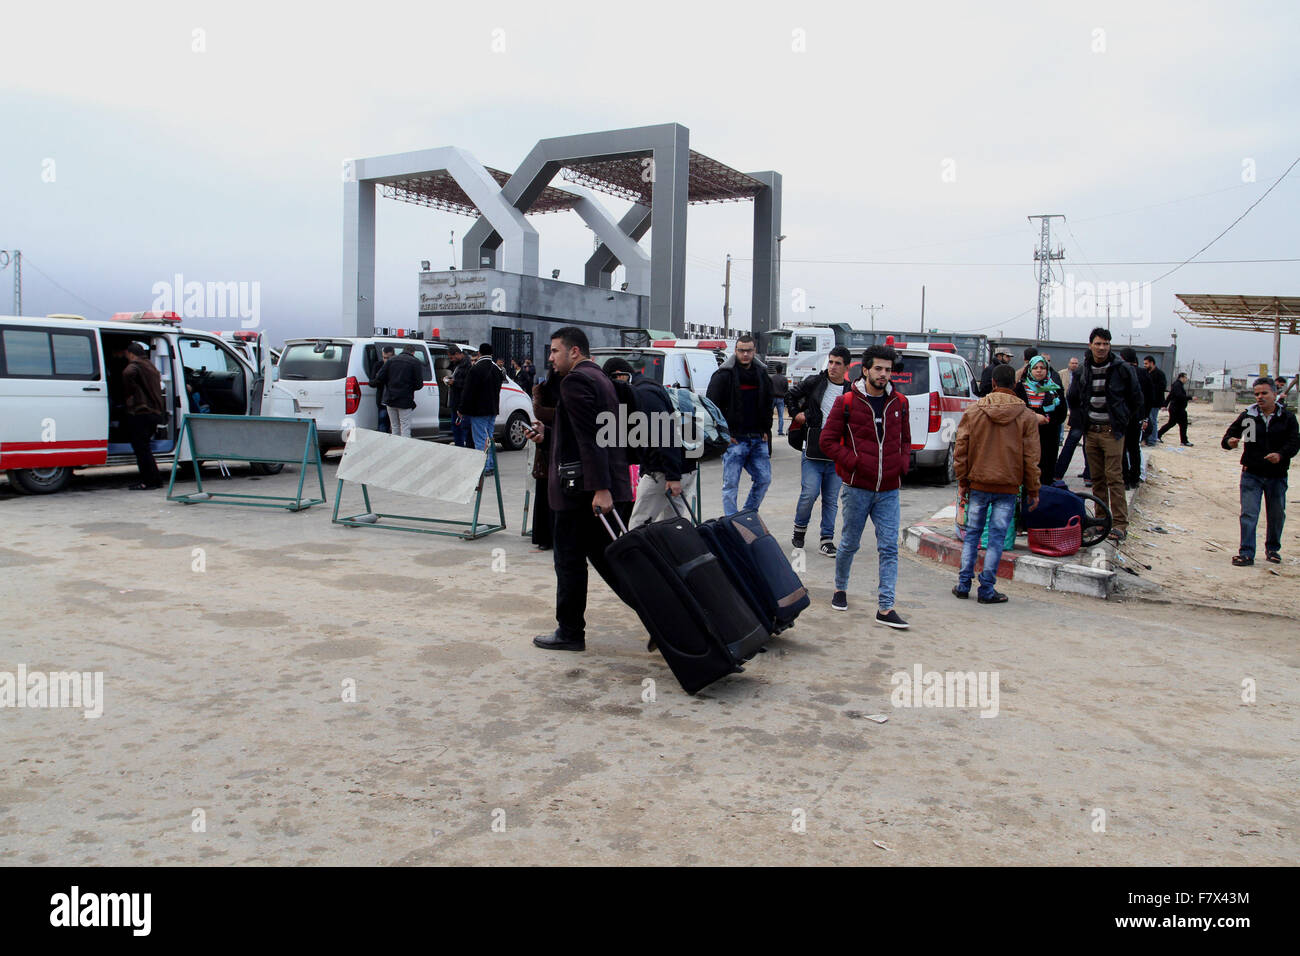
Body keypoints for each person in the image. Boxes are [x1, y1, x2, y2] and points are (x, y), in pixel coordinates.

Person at [528, 327, 634, 652]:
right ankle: (667, 617)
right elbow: (586, 431)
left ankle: (570, 631)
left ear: (575, 351)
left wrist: (600, 489)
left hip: (581, 496)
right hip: (598, 491)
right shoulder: (599, 378)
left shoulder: (575, 381)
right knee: (618, 567)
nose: (550, 358)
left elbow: (591, 440)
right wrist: (549, 433)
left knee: (570, 562)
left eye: (555, 351)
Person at [818, 345, 910, 629]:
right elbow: (827, 441)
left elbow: (905, 440)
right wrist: (853, 463)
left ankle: (885, 607)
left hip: (889, 490)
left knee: (889, 548)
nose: (883, 374)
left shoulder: (900, 403)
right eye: (878, 369)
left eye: (888, 369)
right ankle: (840, 588)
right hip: (857, 487)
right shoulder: (847, 401)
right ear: (866, 370)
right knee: (849, 544)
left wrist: (900, 466)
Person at [953, 363, 1041, 604]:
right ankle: (987, 589)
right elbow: (1031, 457)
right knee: (996, 538)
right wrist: (1033, 489)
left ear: (992, 383)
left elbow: (961, 450)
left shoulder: (974, 411)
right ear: (1014, 385)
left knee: (972, 535)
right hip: (1008, 487)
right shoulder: (1026, 415)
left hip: (978, 483)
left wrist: (962, 480)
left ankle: (963, 584)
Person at [1067, 327, 1143, 542]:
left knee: (1114, 478)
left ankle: (1119, 524)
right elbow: (1073, 397)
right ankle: (1101, 521)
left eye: (1106, 344)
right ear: (1090, 344)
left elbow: (1136, 399)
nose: (1102, 348)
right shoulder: (1083, 370)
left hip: (1112, 432)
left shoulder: (1121, 369)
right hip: (1091, 432)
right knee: (1097, 478)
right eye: (1098, 343)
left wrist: (1124, 420)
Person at [1222, 377, 1299, 566]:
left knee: (1276, 514)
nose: (1260, 397)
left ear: (1275, 394)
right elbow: (1229, 436)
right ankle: (1246, 552)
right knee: (1249, 513)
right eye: (1256, 394)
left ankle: (1272, 549)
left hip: (1276, 475)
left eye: (1264, 393)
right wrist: (1230, 442)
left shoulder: (1287, 418)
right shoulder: (1248, 416)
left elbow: (1294, 443)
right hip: (1251, 474)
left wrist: (1280, 455)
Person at [613, 358, 697, 529]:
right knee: (673, 525)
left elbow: (665, 433)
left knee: (638, 526)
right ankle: (676, 556)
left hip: (663, 471)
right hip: (683, 465)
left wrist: (673, 476)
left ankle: (639, 556)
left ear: (620, 376)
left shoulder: (642, 393)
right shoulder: (651, 386)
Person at [786, 345, 852, 555]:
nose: (832, 367)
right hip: (813, 449)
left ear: (846, 367)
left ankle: (827, 539)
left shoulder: (851, 391)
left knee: (831, 499)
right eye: (830, 362)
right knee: (809, 493)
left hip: (837, 453)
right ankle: (799, 530)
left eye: (837, 363)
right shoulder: (815, 382)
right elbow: (790, 396)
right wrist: (797, 414)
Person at [706, 333, 773, 515]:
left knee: (764, 479)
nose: (745, 354)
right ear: (735, 351)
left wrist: (766, 429)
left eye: (749, 351)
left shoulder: (761, 374)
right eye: (741, 351)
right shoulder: (723, 375)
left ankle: (747, 514)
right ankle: (731, 522)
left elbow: (769, 402)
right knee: (730, 485)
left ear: (754, 351)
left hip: (757, 438)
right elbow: (711, 407)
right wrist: (724, 435)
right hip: (734, 440)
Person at [1015, 354, 1067, 489]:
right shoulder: (1020, 388)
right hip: (1025, 437)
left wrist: (1047, 419)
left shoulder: (1055, 389)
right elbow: (1016, 411)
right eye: (1036, 368)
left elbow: (1061, 413)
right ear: (1029, 370)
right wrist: (1033, 418)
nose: (1039, 370)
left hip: (1048, 436)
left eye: (1042, 368)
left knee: (1046, 472)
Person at [120, 342, 165, 490]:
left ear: (131, 354)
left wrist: (129, 395)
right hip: (153, 412)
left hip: (141, 412)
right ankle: (155, 480)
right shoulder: (151, 366)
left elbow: (127, 373)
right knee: (145, 449)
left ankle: (149, 481)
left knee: (142, 450)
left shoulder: (135, 366)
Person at [530, 373, 561, 550]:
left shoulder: (542, 390)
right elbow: (540, 412)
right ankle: (548, 537)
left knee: (545, 493)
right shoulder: (544, 391)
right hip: (550, 445)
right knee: (550, 493)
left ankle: (544, 538)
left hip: (546, 444)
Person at [462, 343, 504, 471]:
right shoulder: (497, 369)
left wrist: (462, 409)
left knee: (480, 439)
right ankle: (490, 464)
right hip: (492, 409)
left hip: (479, 410)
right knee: (489, 437)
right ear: (491, 354)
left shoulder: (475, 369)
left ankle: (484, 466)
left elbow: (468, 391)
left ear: (479, 353)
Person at [1053, 356, 1091, 486]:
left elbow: (1071, 394)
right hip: (1091, 416)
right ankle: (1089, 475)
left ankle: (1058, 474)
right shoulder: (1096, 371)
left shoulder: (1079, 371)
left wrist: (1074, 410)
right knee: (1089, 446)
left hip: (1078, 416)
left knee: (1070, 445)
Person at [371, 344, 422, 438]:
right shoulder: (415, 362)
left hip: (390, 399)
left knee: (394, 427)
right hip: (405, 400)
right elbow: (419, 385)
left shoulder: (391, 360)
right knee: (405, 426)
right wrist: (409, 388)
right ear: (413, 353)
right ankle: (404, 449)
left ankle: (395, 449)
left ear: (402, 350)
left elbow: (379, 378)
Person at [1119, 347, 1151, 487]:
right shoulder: (1144, 374)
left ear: (1123, 358)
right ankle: (1135, 478)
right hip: (1137, 416)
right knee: (1134, 448)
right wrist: (1145, 417)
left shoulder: (1121, 372)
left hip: (1124, 415)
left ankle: (1125, 479)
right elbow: (1150, 398)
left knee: (1122, 447)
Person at [443, 346, 472, 448]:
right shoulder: (457, 365)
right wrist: (450, 379)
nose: (451, 360)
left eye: (451, 357)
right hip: (455, 400)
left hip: (461, 401)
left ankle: (462, 447)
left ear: (457, 354)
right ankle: (459, 445)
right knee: (455, 426)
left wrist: (454, 382)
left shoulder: (467, 365)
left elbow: (467, 384)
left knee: (461, 427)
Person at [1157, 372, 1193, 445]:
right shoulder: (1177, 385)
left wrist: (1165, 405)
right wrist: (1190, 397)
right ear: (1181, 377)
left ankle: (1158, 435)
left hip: (1178, 409)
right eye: (1185, 378)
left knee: (1177, 424)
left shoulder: (1178, 385)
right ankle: (1184, 441)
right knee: (1177, 424)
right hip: (1177, 409)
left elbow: (1170, 396)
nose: (1186, 379)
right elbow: (1178, 396)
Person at [1143, 355, 1167, 445]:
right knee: (1148, 421)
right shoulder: (1147, 373)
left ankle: (1152, 440)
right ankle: (1149, 438)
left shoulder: (1159, 374)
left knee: (1152, 421)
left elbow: (1161, 387)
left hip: (1155, 402)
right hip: (1148, 402)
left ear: (1152, 363)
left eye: (1146, 363)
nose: (1144, 365)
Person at [375, 345, 395, 434]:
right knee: (383, 424)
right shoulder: (379, 365)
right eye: (384, 357)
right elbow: (373, 381)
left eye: (388, 358)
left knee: (395, 425)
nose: (386, 360)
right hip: (383, 400)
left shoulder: (397, 365)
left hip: (394, 400)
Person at [770, 368, 789, 435]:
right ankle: (780, 431)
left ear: (776, 370)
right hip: (781, 398)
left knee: (770, 415)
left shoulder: (772, 378)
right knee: (780, 416)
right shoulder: (784, 379)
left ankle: (768, 429)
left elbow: (768, 388)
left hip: (772, 398)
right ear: (782, 370)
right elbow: (786, 389)